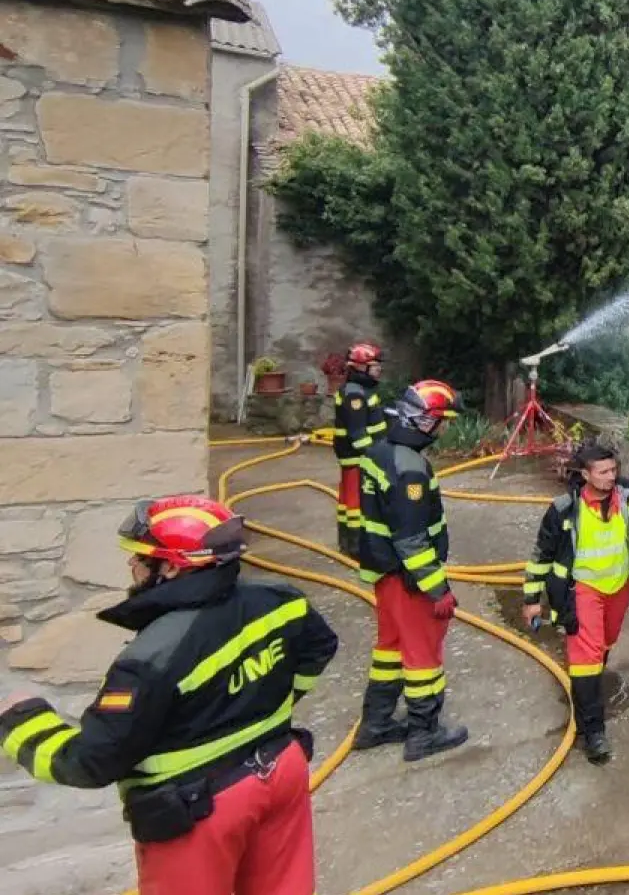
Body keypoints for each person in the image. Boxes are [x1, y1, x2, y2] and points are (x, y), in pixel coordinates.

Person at [0, 496, 338, 895]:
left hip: (197, 810)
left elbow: (92, 762)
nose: (132, 563)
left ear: (173, 567)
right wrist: (271, 701)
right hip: (281, 769)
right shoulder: (281, 600)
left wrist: (22, 721)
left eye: (142, 557)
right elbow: (320, 646)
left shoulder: (149, 659)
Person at [522, 443, 629, 764]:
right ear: (585, 474)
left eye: (613, 470)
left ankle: (585, 689)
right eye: (602, 472)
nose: (610, 477)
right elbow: (541, 556)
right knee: (587, 658)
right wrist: (532, 599)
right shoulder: (564, 510)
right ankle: (593, 731)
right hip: (582, 590)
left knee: (603, 646)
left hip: (619, 588)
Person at [352, 378, 468, 761]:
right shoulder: (411, 470)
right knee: (423, 657)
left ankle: (376, 724)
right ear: (425, 421)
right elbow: (411, 540)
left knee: (390, 649)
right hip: (410, 580)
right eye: (442, 421)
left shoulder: (379, 451)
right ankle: (424, 732)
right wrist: (439, 589)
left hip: (385, 574)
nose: (444, 429)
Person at [331, 341, 387, 555]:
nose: (378, 369)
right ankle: (356, 546)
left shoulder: (360, 390)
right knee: (356, 501)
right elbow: (358, 434)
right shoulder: (355, 394)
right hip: (357, 457)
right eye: (374, 365)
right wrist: (377, 455)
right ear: (361, 368)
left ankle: (347, 541)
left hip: (354, 456)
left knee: (348, 499)